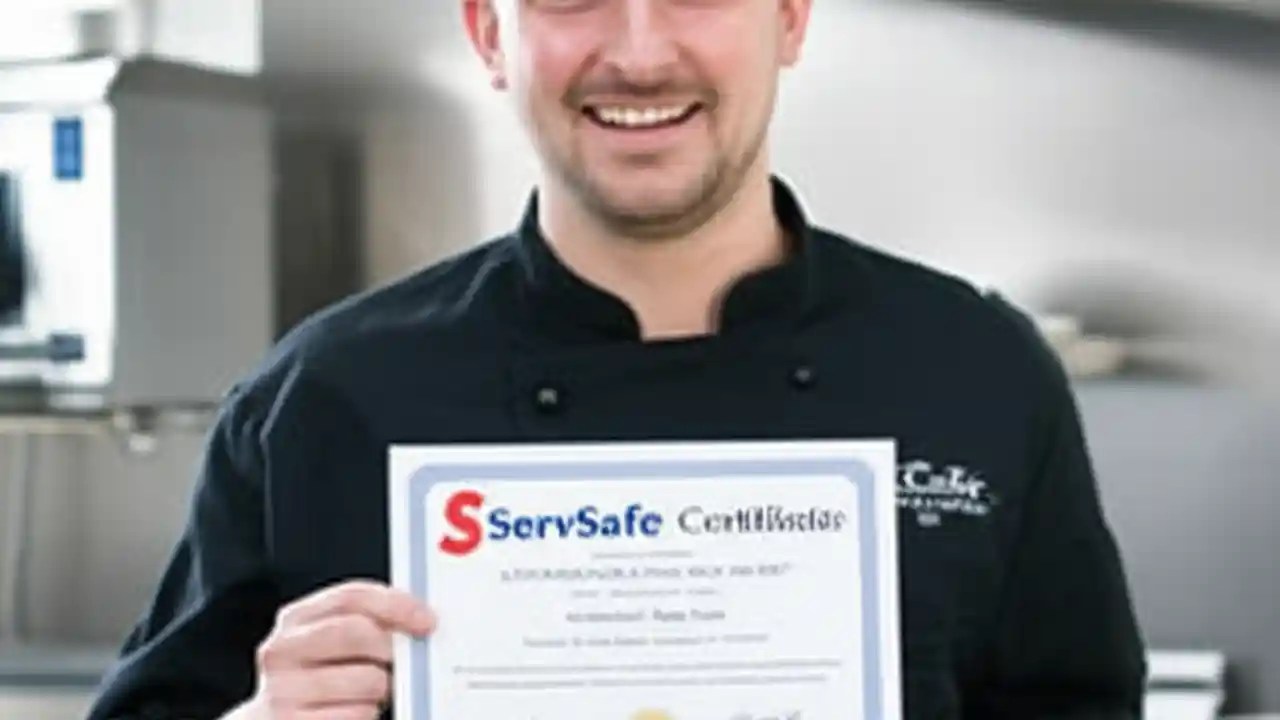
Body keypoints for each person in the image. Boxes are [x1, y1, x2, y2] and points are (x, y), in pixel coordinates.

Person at [88, 0, 1147, 718]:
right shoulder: (323, 397)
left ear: (786, 17)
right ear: (487, 33)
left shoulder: (973, 370)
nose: (639, 54)